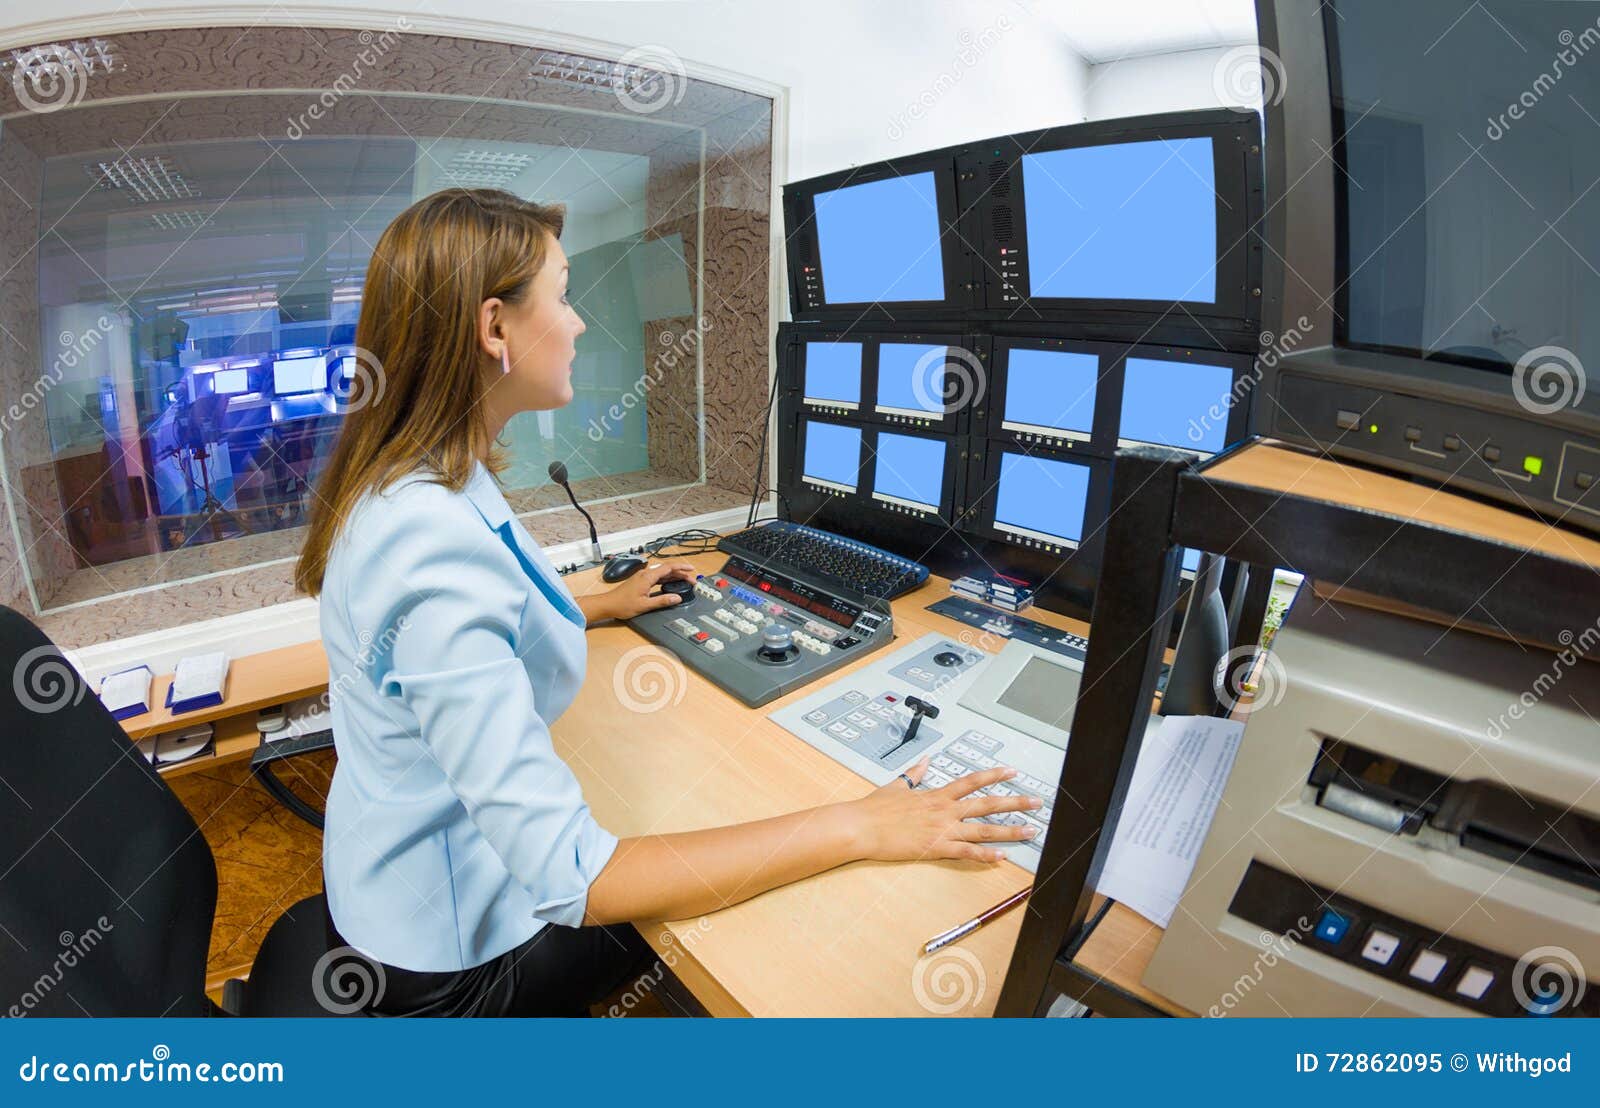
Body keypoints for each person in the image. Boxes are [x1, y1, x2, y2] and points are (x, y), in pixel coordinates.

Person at [293, 189, 1040, 1016]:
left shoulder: (417, 479)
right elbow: (582, 879)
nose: (579, 324)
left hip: (384, 888)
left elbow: (460, 635)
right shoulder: (429, 547)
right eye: (564, 293)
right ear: (495, 327)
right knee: (768, 940)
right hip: (450, 974)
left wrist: (590, 607)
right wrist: (859, 825)